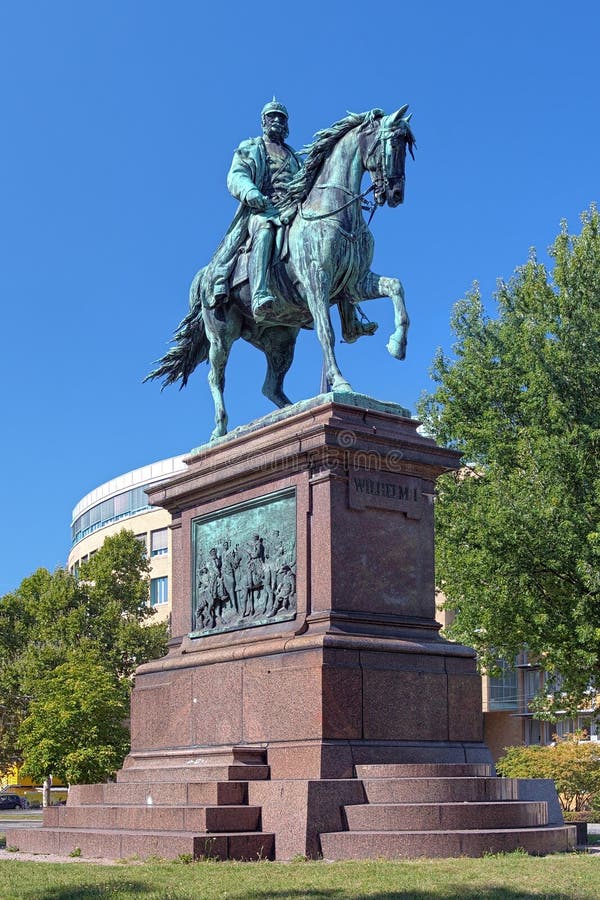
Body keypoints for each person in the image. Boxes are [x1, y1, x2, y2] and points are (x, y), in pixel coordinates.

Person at [207, 101, 377, 340]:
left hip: (291, 209)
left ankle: (350, 320)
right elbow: (237, 175)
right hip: (262, 208)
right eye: (272, 117)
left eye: (281, 118)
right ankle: (260, 292)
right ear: (264, 122)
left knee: (332, 244)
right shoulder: (251, 147)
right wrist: (250, 192)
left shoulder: (294, 157)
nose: (277, 121)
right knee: (265, 230)